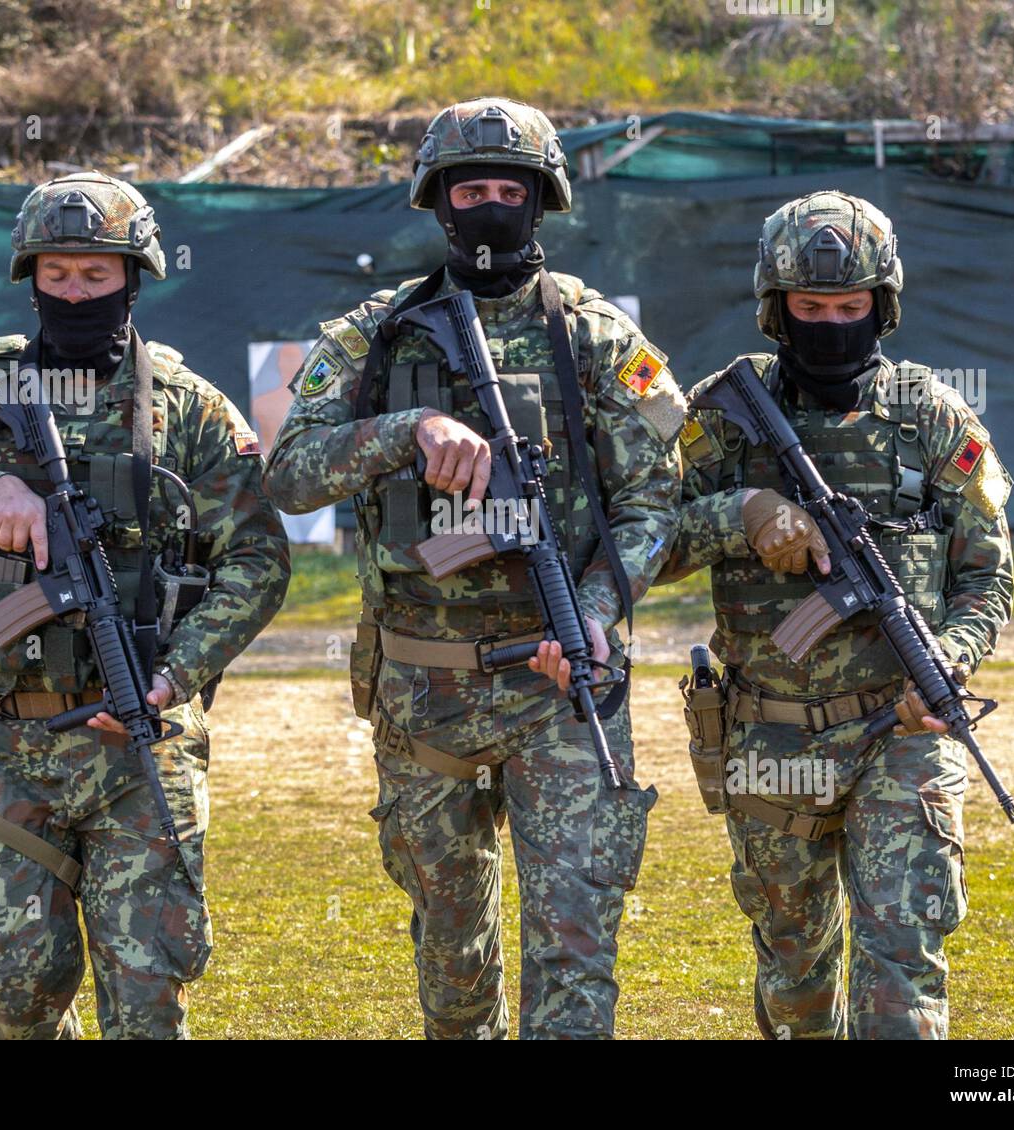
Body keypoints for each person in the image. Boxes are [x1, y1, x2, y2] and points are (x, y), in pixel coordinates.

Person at [264, 98, 683, 1039]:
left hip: (567, 683)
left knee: (575, 948)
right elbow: (287, 475)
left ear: (541, 202)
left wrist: (597, 615)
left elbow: (657, 498)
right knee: (453, 957)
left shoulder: (597, 336)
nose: (491, 206)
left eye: (510, 189)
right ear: (437, 202)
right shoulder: (376, 334)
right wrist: (403, 431)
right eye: (471, 188)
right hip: (427, 692)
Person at [0, 171, 291, 1039]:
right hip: (10, 738)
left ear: (133, 277)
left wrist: (177, 675)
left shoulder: (190, 408)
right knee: (10, 985)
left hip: (141, 742)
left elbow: (258, 557)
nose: (74, 292)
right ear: (30, 278)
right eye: (56, 274)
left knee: (146, 996)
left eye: (95, 275)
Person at [662, 189, 1014, 1039]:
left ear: (881, 305)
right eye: (809, 308)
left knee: (903, 968)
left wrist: (951, 665)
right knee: (794, 972)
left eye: (848, 307)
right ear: (775, 308)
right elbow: (646, 545)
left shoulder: (929, 415)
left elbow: (986, 578)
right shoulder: (721, 415)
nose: (829, 324)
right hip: (769, 737)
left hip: (900, 734)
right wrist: (741, 512)